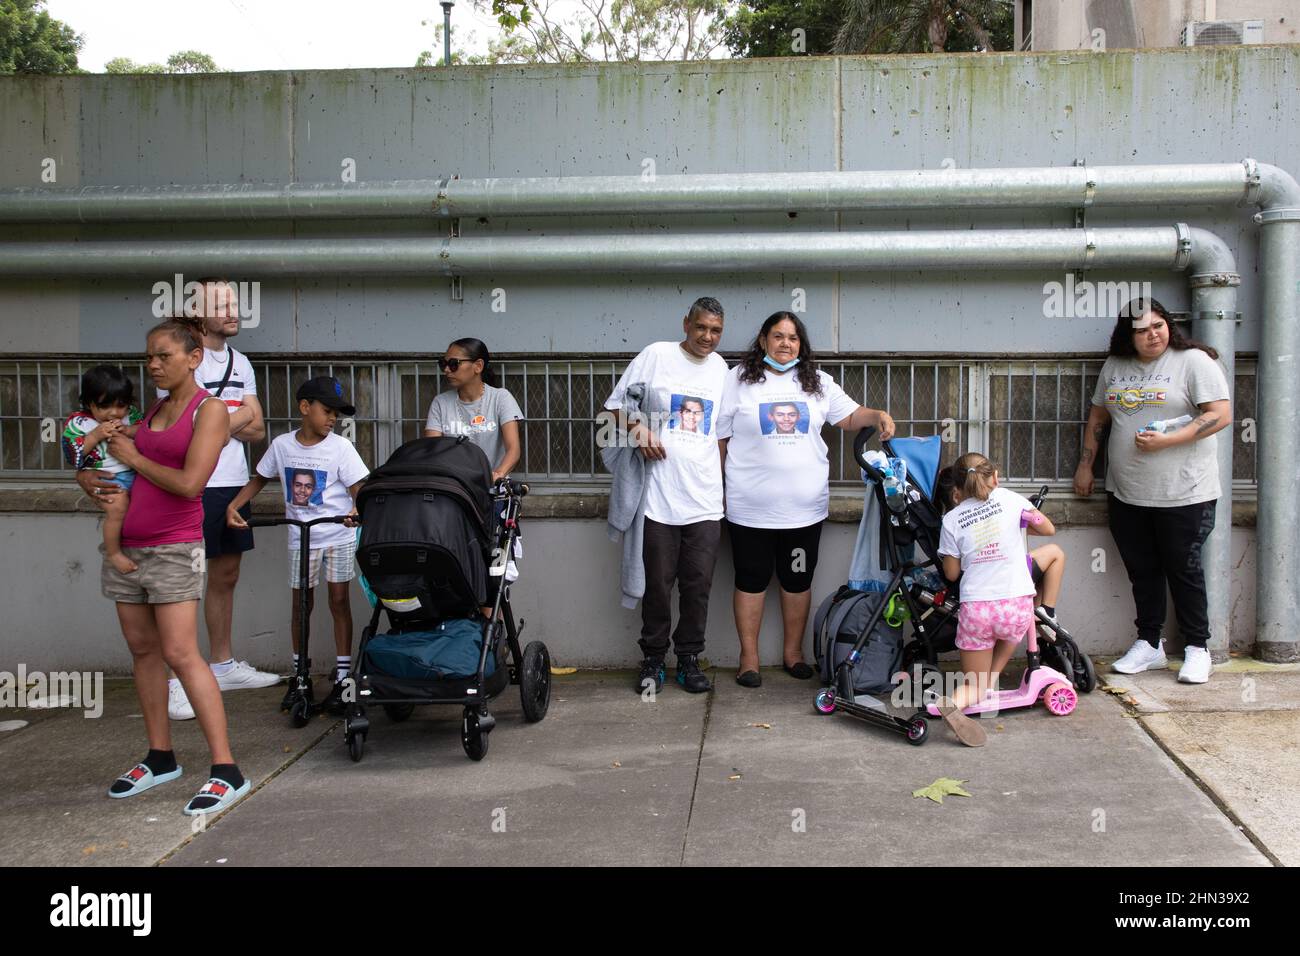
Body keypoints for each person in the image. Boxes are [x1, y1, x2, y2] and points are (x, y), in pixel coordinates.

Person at [80, 278, 279, 719]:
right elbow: (176, 428)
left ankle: (223, 664)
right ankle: (174, 681)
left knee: (225, 574)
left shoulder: (241, 362)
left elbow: (258, 428)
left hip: (231, 479)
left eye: (235, 304)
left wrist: (217, 424)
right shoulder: (172, 359)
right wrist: (230, 418)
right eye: (222, 305)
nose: (234, 312)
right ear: (196, 316)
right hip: (182, 485)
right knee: (174, 582)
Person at [100, 314, 250, 815]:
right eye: (149, 357)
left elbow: (190, 484)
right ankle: (160, 756)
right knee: (143, 652)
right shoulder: (155, 410)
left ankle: (226, 769)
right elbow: (121, 469)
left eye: (164, 356)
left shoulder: (208, 411)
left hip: (173, 546)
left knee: (183, 654)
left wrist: (132, 454)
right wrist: (94, 476)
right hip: (129, 545)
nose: (154, 365)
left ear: (193, 357)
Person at [716, 311, 895, 688]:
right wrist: (716, 489)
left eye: (793, 337)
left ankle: (793, 654)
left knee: (797, 581)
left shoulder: (817, 382)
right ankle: (748, 658)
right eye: (778, 336)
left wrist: (877, 414)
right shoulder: (735, 380)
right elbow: (720, 438)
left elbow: (849, 417)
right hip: (750, 509)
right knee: (751, 581)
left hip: (803, 510)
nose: (785, 343)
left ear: (801, 344)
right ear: (763, 340)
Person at [1074, 298, 1232, 684]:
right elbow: (1099, 415)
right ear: (1129, 336)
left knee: (1184, 570)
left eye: (1159, 325)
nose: (1153, 335)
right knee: (1142, 571)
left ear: (1169, 326)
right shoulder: (1116, 366)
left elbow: (1220, 414)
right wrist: (1085, 464)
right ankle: (1150, 644)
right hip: (1127, 491)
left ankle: (1197, 648)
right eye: (1143, 330)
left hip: (1184, 492)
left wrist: (1169, 440)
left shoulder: (1193, 361)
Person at [598, 297, 728, 695]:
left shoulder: (723, 370)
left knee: (698, 585)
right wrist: (637, 432)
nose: (708, 337)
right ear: (686, 323)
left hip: (704, 499)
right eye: (701, 327)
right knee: (657, 584)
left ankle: (688, 660)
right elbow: (611, 411)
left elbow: (721, 435)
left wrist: (722, 484)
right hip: (657, 497)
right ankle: (653, 660)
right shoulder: (656, 355)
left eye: (716, 331)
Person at [227, 377, 369, 715]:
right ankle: (300, 674)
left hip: (337, 536)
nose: (332, 419)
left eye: (336, 413)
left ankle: (344, 676)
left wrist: (356, 510)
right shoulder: (282, 446)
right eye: (326, 411)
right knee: (300, 604)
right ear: (305, 408)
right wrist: (235, 505)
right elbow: (260, 477)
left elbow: (358, 488)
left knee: (338, 601)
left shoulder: (340, 447)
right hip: (300, 538)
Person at [937, 453, 1057, 747]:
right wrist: (1029, 517)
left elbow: (952, 574)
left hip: (977, 609)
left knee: (974, 683)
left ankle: (957, 699)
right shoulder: (1012, 500)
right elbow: (1048, 529)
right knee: (1011, 631)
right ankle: (991, 680)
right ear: (995, 477)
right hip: (1015, 606)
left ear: (957, 490)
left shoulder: (952, 519)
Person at [936, 464, 1065, 630]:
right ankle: (1047, 613)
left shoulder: (949, 521)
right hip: (1004, 581)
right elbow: (1048, 529)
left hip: (973, 589)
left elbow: (951, 574)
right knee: (1055, 553)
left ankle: (1041, 618)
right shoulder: (1001, 502)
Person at [62, 366, 144, 575]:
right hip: (109, 480)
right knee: (118, 510)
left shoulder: (131, 416)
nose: (114, 413)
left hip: (138, 474)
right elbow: (73, 456)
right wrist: (95, 435)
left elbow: (146, 433)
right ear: (89, 404)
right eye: (105, 406)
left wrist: (128, 430)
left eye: (121, 405)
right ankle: (114, 553)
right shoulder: (79, 423)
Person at [423, 338, 523, 484]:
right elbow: (433, 451)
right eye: (443, 364)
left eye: (453, 364)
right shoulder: (440, 402)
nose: (446, 370)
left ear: (478, 366)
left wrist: (497, 475)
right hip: (454, 488)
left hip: (492, 486)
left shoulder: (500, 398)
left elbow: (513, 449)